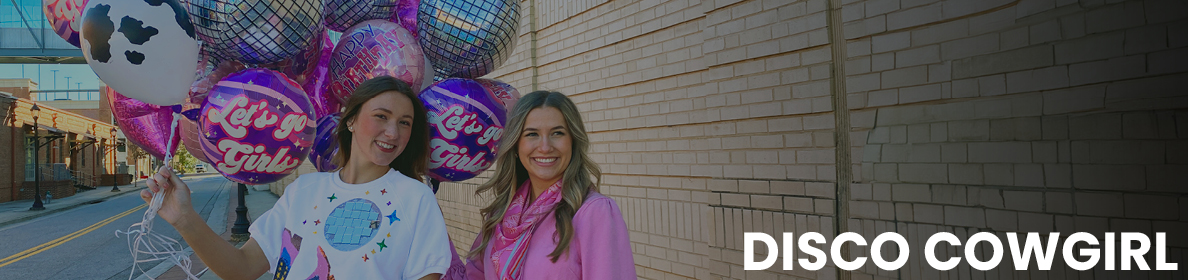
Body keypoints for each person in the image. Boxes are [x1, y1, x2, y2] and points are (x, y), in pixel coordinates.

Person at [141, 77, 451, 280]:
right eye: (381, 116)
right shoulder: (305, 189)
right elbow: (242, 268)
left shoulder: (415, 198)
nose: (393, 132)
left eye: (405, 123)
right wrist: (184, 218)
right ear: (352, 120)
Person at [454, 91, 636, 279]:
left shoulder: (593, 212)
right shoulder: (502, 214)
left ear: (573, 141)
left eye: (557, 133)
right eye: (532, 134)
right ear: (516, 145)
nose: (545, 147)